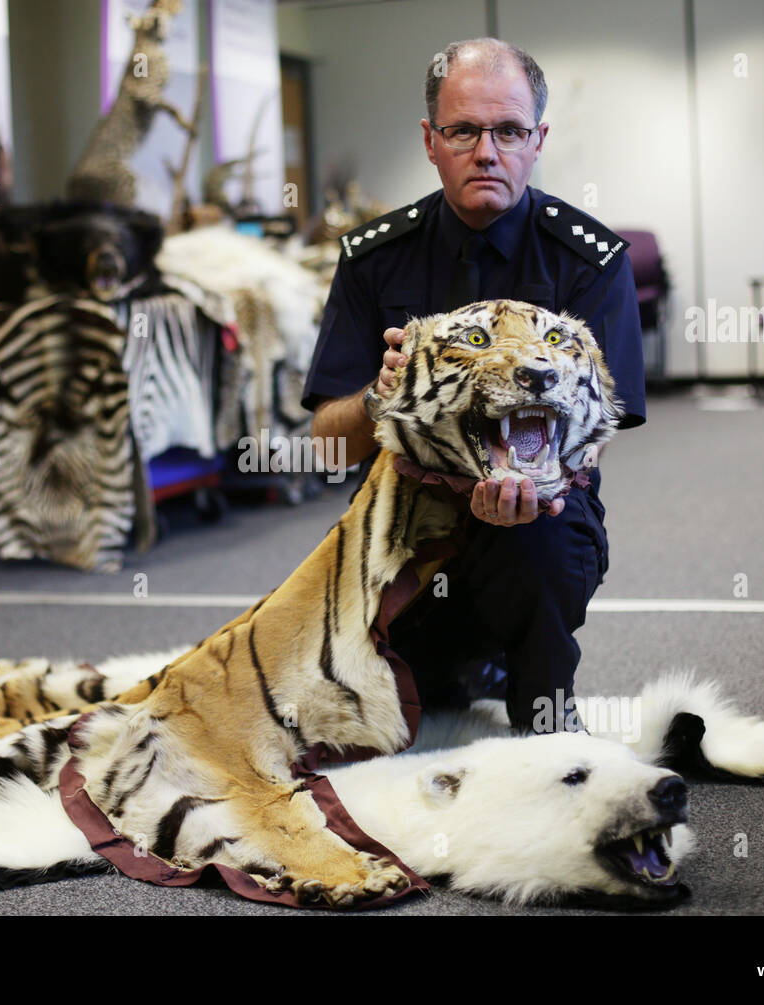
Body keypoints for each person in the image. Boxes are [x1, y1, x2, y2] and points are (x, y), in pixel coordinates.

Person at [301, 37, 646, 733]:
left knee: (542, 539)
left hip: (536, 520)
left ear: (538, 138)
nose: (487, 152)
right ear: (431, 141)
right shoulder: (374, 259)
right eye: (463, 130)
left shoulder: (590, 260)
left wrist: (530, 476)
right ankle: (452, 659)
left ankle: (544, 704)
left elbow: (598, 431)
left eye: (510, 131)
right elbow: (327, 447)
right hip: (399, 527)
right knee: (391, 712)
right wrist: (379, 396)